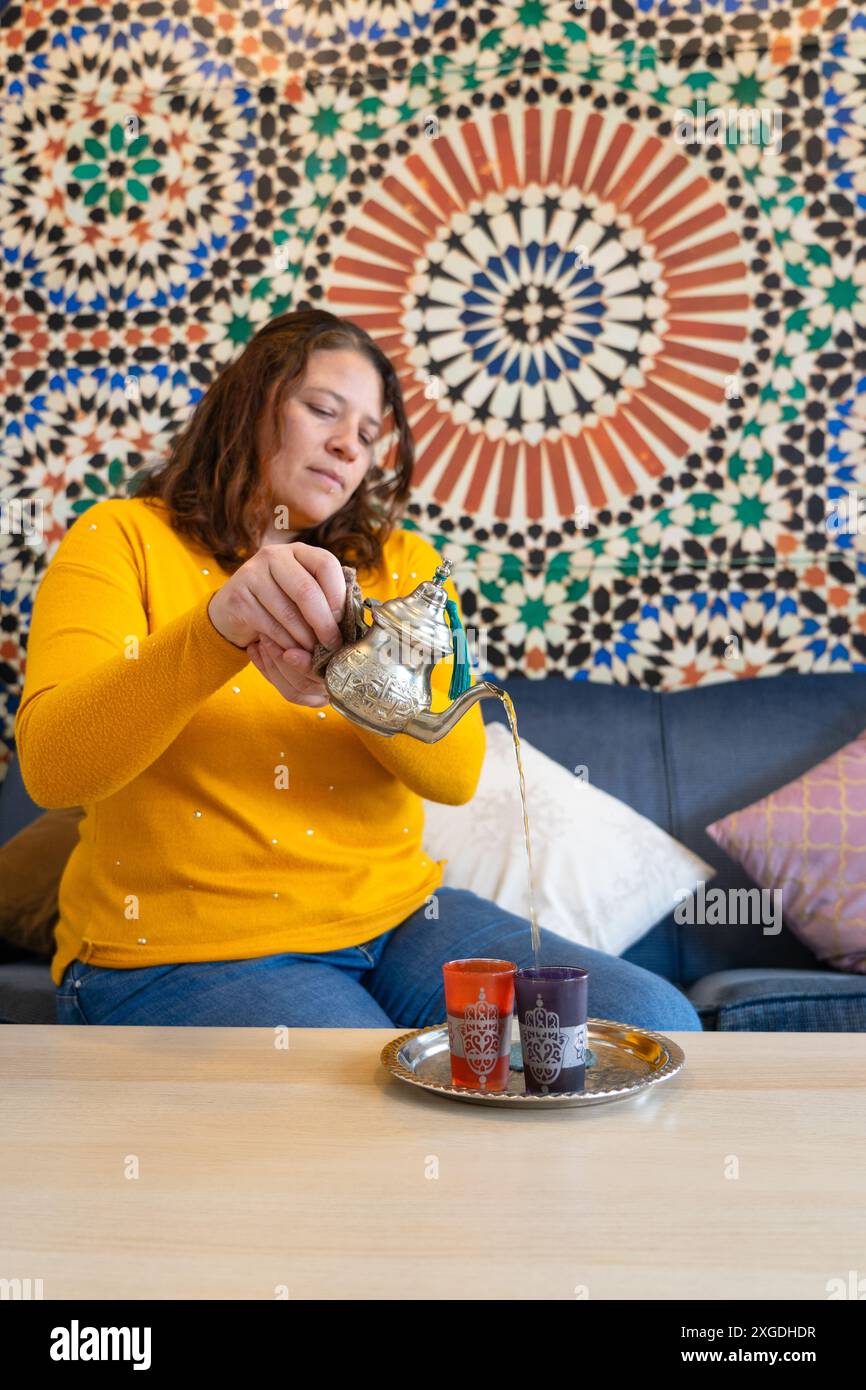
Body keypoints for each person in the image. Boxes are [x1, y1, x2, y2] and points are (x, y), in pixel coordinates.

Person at [15, 308, 702, 1032]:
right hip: (183, 947)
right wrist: (218, 627)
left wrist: (353, 675)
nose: (348, 445)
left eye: (369, 434)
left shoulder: (402, 565)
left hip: (400, 919)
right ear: (247, 405)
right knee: (365, 1090)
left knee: (648, 1019)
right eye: (322, 410)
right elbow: (54, 769)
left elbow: (456, 774)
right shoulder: (121, 537)